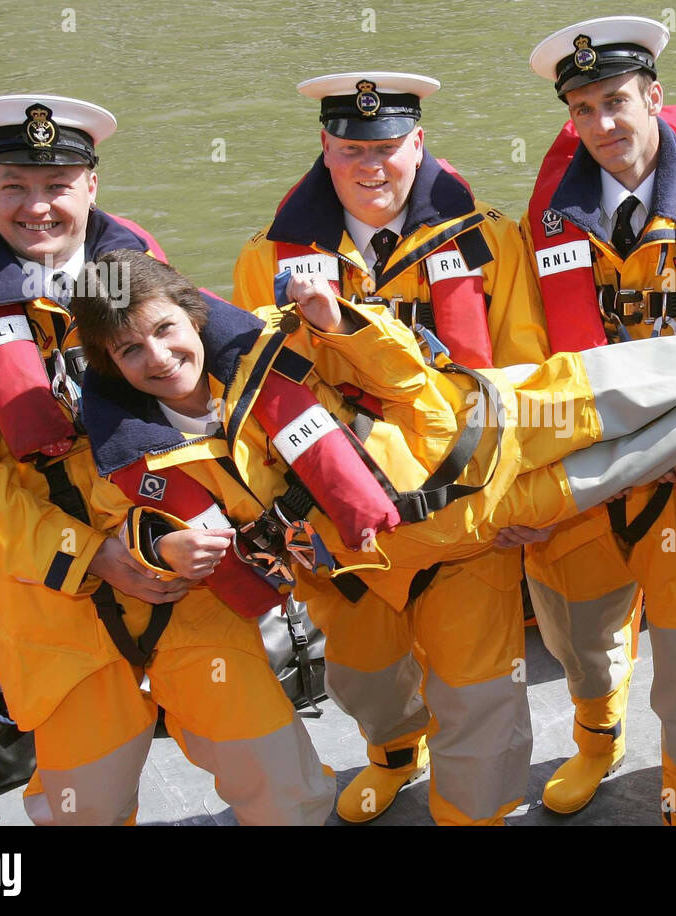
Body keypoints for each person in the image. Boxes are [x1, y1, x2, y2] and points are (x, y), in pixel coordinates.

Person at [73, 250, 676, 640]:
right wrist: (171, 549)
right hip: (478, 520)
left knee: (673, 368)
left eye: (165, 331)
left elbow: (404, 372)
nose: (159, 358)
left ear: (191, 315)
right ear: (108, 365)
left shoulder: (276, 346)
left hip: (497, 420)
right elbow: (160, 546)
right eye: (130, 351)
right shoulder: (139, 466)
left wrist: (343, 322)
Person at [0, 95, 334, 825]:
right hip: (57, 604)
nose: (36, 206)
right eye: (14, 185)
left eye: (56, 185)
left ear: (91, 187)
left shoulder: (145, 278)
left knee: (281, 781)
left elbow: (230, 402)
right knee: (85, 809)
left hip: (189, 582)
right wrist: (96, 556)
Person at [231, 72, 548, 825]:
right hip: (346, 522)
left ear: (419, 143)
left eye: (387, 147)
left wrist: (524, 495)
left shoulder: (490, 238)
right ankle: (395, 752)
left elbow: (525, 376)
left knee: (480, 692)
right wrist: (280, 518)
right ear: (324, 148)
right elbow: (255, 395)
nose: (370, 166)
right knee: (364, 673)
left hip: (469, 511)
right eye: (350, 150)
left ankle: (480, 812)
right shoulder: (267, 258)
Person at [519, 16, 676, 824]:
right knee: (578, 640)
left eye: (617, 101)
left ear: (654, 97)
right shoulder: (540, 227)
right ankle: (597, 738)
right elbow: (523, 355)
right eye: (582, 109)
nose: (602, 125)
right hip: (582, 479)